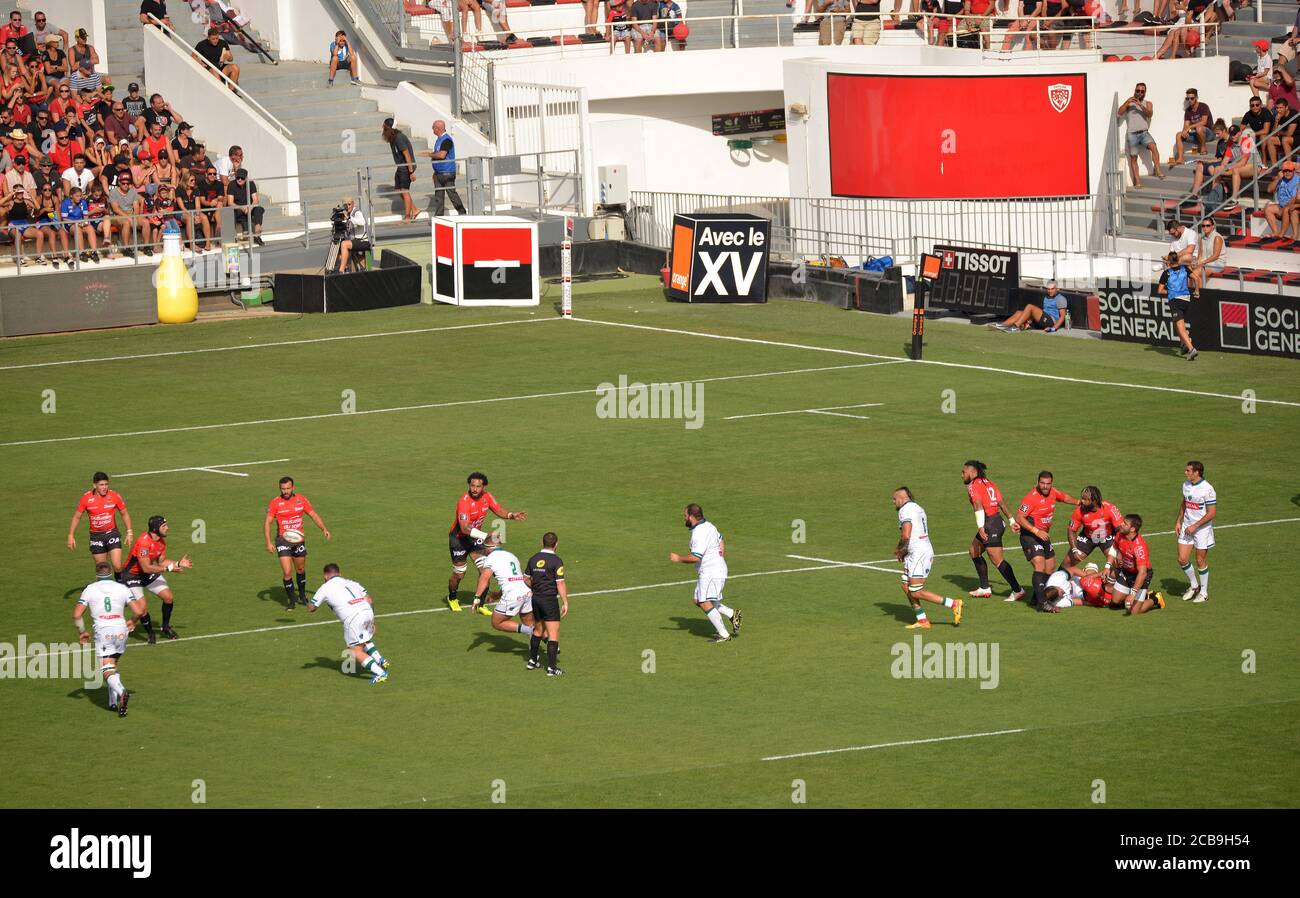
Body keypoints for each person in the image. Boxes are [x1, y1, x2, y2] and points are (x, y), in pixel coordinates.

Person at [74, 562, 147, 717]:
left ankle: (122, 692)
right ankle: (112, 703)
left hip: (104, 630)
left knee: (106, 669)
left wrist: (82, 632)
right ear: (110, 573)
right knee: (112, 665)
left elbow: (77, 614)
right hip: (121, 629)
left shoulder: (90, 589)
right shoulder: (122, 588)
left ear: (97, 575)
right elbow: (140, 610)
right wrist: (133, 621)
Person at [446, 472, 526, 611]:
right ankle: (452, 597)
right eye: (472, 486)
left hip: (474, 539)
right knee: (459, 573)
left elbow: (498, 509)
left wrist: (511, 515)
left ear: (484, 487)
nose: (475, 489)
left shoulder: (486, 497)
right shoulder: (464, 502)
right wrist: (486, 536)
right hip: (459, 540)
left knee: (485, 570)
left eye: (478, 486)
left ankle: (480, 605)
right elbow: (465, 528)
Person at [669, 503, 742, 642]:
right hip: (711, 569)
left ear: (691, 517)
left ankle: (724, 635)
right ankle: (732, 614)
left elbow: (696, 557)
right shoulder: (709, 525)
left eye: (685, 516)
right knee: (698, 600)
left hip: (711, 571)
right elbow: (721, 540)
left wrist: (678, 558)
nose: (684, 519)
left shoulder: (699, 533)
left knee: (704, 601)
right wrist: (721, 551)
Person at [891, 488, 963, 629]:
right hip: (915, 552)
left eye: (894, 499)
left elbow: (906, 535)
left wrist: (899, 550)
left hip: (919, 553)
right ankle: (922, 620)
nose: (893, 502)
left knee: (916, 590)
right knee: (905, 585)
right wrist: (906, 550)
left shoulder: (904, 510)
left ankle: (953, 604)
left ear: (901, 498)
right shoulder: (918, 508)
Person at [307, 564, 390, 684]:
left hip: (353, 618)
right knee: (362, 639)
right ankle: (380, 660)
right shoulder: (352, 582)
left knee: (355, 651)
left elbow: (311, 608)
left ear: (325, 576)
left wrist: (307, 601)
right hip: (367, 611)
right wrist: (372, 621)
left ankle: (380, 673)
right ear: (340, 574)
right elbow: (369, 599)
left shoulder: (324, 588)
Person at [961, 461, 1026, 601]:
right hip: (995, 522)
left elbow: (978, 505)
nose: (962, 475)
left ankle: (1017, 590)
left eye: (963, 472)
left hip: (990, 525)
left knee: (997, 560)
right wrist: (1011, 520)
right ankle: (984, 587)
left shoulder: (973, 485)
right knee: (974, 551)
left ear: (972, 472)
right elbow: (1001, 502)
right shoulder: (988, 483)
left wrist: (980, 527)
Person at [121, 515, 192, 642]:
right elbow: (146, 568)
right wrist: (169, 569)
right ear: (155, 528)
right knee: (142, 608)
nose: (167, 528)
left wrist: (178, 563)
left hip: (147, 573)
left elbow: (162, 562)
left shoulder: (161, 542)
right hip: (132, 575)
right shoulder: (143, 542)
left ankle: (165, 627)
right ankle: (150, 634)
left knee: (168, 597)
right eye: (164, 526)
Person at [264, 476, 331, 610]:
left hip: (298, 540)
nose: (286, 491)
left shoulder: (301, 500)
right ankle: (291, 600)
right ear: (280, 489)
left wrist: (323, 528)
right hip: (283, 540)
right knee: (287, 572)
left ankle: (301, 595)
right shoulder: (275, 503)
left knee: (300, 569)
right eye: (283, 489)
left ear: (293, 488)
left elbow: (313, 514)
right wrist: (268, 542)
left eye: (288, 488)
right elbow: (267, 522)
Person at [1014, 471, 1079, 608]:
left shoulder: (1053, 492)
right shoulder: (1031, 498)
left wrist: (1078, 502)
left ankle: (1035, 600)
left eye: (1048, 484)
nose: (1045, 486)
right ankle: (1043, 603)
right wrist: (1036, 530)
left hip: (1043, 535)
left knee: (1050, 567)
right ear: (1037, 482)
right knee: (1040, 564)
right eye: (1042, 483)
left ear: (1051, 484)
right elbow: (1020, 517)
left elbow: (1065, 497)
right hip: (1030, 535)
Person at [470, 534, 541, 644]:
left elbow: (484, 578)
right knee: (528, 621)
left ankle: (530, 631)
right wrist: (497, 595)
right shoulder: (512, 556)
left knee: (497, 622)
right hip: (526, 592)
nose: (485, 551)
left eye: (485, 548)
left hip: (512, 595)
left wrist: (477, 597)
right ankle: (549, 646)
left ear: (489, 547)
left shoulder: (491, 558)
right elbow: (513, 580)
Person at [67, 472, 133, 578]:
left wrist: (129, 532)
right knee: (102, 569)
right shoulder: (86, 498)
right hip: (96, 536)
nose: (104, 487)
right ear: (94, 485)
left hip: (112, 533)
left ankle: (121, 588)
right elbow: (76, 517)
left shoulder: (114, 496)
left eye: (106, 484)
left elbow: (124, 513)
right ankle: (105, 592)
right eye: (101, 485)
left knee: (117, 565)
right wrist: (71, 535)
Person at [525, 532, 569, 676]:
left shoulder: (533, 559)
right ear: (556, 544)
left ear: (541, 542)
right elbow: (560, 583)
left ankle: (532, 661)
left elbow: (526, 578)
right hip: (549, 600)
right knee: (553, 634)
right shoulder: (556, 561)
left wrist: (534, 588)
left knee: (538, 630)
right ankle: (551, 668)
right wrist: (565, 601)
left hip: (536, 599)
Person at [1176, 460, 1215, 603]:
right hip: (1187, 527)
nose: (1185, 473)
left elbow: (1211, 513)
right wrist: (1179, 521)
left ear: (1197, 472)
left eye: (1188, 471)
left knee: (1200, 560)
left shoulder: (1207, 489)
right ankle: (1194, 586)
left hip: (1202, 530)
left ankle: (1204, 593)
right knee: (1182, 559)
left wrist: (1196, 526)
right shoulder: (1186, 485)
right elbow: (1184, 503)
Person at [1113, 514, 1164, 615]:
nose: (1121, 524)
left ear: (1132, 529)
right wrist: (1118, 556)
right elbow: (1116, 547)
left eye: (1125, 523)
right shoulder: (1120, 534)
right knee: (1115, 601)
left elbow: (1142, 573)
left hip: (1140, 575)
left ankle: (1155, 598)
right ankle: (1141, 596)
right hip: (1127, 572)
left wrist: (1132, 594)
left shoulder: (1139, 547)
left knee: (1133, 612)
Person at [1066, 486, 1122, 575]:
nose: (1082, 501)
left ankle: (1113, 586)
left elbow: (1120, 530)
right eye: (1082, 498)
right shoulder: (1079, 511)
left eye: (1085, 499)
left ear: (1094, 501)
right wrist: (1074, 549)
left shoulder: (1110, 508)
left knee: (1117, 562)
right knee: (1068, 563)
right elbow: (1071, 531)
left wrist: (1118, 550)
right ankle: (1056, 584)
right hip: (1088, 537)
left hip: (1107, 537)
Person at [1119, 83, 1163, 189]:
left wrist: (1140, 105)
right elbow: (1119, 112)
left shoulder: (1148, 103)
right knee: (1133, 158)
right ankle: (1138, 181)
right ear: (1135, 90)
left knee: (1154, 147)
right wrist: (1127, 102)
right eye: (1137, 91)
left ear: (1145, 92)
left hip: (1144, 133)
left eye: (1142, 91)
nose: (1139, 93)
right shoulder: (1129, 102)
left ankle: (1158, 170)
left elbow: (1149, 114)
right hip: (1132, 134)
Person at [418, 119, 466, 216]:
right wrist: (435, 172)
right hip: (439, 172)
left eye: (433, 128)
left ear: (438, 128)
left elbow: (441, 155)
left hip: (447, 172)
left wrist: (429, 154)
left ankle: (462, 213)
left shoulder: (447, 140)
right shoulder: (439, 140)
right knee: (438, 196)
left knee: (451, 194)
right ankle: (439, 217)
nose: (432, 130)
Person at [1157, 251, 1197, 360]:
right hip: (1186, 299)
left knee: (1180, 326)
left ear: (1169, 262)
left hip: (1175, 301)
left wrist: (1170, 292)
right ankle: (1184, 343)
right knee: (1176, 323)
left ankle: (1191, 348)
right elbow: (1196, 278)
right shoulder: (1185, 269)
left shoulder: (1166, 273)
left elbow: (1160, 291)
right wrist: (1197, 290)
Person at [990, 280, 1065, 332]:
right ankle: (1003, 325)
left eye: (1052, 289)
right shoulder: (1046, 297)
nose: (1049, 291)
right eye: (1048, 289)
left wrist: (1053, 329)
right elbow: (1043, 312)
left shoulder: (1060, 298)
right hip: (1044, 319)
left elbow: (1062, 317)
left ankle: (1016, 327)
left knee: (1030, 306)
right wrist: (1031, 319)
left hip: (1051, 321)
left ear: (1057, 289)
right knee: (1019, 312)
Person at [382, 117, 418, 223]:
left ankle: (407, 217)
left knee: (404, 191)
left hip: (406, 167)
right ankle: (415, 210)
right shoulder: (392, 138)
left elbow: (406, 154)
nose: (383, 131)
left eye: (385, 128)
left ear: (391, 129)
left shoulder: (399, 138)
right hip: (401, 167)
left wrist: (411, 172)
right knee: (399, 190)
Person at [1170, 88, 1212, 165]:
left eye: (1192, 98)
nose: (1189, 100)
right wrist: (1184, 132)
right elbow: (1186, 125)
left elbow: (1204, 121)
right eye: (1187, 98)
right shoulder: (1188, 111)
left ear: (1196, 98)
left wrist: (1190, 127)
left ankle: (1203, 148)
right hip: (1196, 134)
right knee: (1178, 135)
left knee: (1199, 128)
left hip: (1208, 133)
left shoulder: (1203, 106)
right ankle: (1180, 158)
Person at [1263, 160, 1299, 241]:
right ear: (1282, 172)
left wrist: (1283, 209)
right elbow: (1269, 190)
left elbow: (1294, 199)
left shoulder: (1297, 180)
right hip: (1281, 205)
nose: (1287, 172)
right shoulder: (1281, 178)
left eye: (1289, 170)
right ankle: (1275, 232)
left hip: (1293, 206)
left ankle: (1281, 234)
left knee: (1286, 209)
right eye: (1285, 170)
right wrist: (1278, 179)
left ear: (1293, 171)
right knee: (1268, 209)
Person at [227, 167, 264, 245]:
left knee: (258, 209)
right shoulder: (232, 184)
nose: (240, 179)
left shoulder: (251, 184)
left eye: (242, 178)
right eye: (238, 178)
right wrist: (242, 208)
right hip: (237, 209)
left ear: (246, 178)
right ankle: (232, 237)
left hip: (249, 209)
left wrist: (250, 207)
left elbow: (255, 200)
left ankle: (257, 233)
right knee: (230, 212)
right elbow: (230, 202)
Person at [335, 195, 369, 272]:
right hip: (354, 241)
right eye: (345, 205)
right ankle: (347, 269)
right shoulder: (348, 214)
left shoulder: (357, 212)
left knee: (344, 244)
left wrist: (349, 218)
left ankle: (341, 271)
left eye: (349, 204)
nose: (347, 206)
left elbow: (362, 222)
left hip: (363, 241)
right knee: (339, 254)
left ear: (353, 204)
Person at [1191, 217, 1224, 295]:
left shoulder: (1217, 238)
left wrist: (1203, 262)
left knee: (1195, 273)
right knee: (1188, 270)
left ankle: (1200, 294)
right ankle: (1190, 292)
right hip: (1206, 262)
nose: (1205, 227)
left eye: (1208, 225)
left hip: (1217, 264)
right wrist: (1196, 262)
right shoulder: (1202, 238)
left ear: (1213, 226)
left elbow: (1216, 256)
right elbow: (1200, 255)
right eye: (1203, 226)